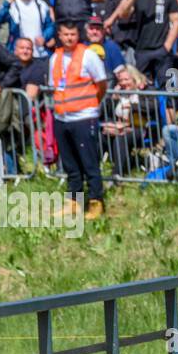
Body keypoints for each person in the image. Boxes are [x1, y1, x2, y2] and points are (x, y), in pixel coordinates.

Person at [49, 20, 107, 218]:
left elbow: (101, 83)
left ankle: (96, 200)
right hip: (62, 117)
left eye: (72, 34)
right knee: (70, 164)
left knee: (89, 162)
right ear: (59, 35)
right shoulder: (54, 58)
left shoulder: (88, 56)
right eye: (65, 34)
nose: (69, 38)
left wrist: (93, 104)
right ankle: (74, 200)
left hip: (83, 116)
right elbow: (54, 86)